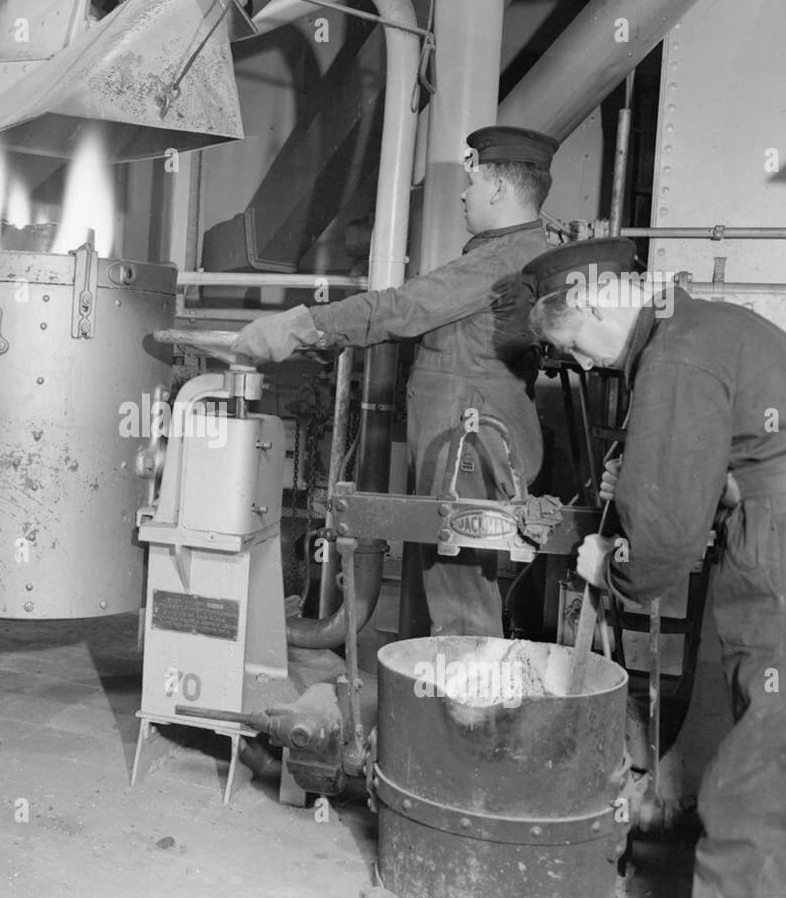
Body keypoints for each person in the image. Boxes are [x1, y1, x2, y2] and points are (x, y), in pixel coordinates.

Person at [526, 237, 786, 898]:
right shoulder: (708, 325)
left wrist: (612, 563)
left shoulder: (674, 356)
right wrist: (644, 477)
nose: (581, 362)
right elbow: (733, 459)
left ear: (594, 300)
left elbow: (662, 539)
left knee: (754, 798)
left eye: (574, 345)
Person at [232, 126, 557, 637]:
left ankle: (465, 706)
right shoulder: (524, 251)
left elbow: (403, 307)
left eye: (473, 184)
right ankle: (466, 697)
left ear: (497, 188)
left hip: (464, 443)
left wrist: (302, 325)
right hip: (478, 433)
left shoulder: (498, 261)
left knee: (459, 592)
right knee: (466, 577)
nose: (465, 196)